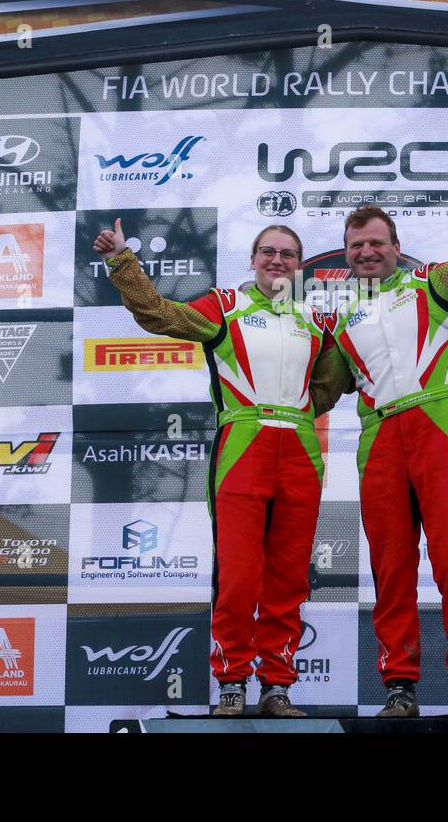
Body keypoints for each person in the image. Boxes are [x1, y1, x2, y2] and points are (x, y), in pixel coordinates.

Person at [94, 220, 340, 717]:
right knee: (238, 578)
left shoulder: (317, 321)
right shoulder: (226, 307)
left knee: (288, 580)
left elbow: (335, 378)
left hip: (299, 449)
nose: (277, 260)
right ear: (252, 260)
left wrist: (309, 406)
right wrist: (123, 261)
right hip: (243, 444)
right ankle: (231, 682)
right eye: (267, 252)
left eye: (288, 254)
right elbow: (158, 315)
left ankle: (277, 687)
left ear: (299, 265)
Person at [313, 144, 448, 717]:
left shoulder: (433, 285)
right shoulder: (341, 319)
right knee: (391, 569)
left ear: (396, 247)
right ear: (347, 256)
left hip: (437, 428)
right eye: (357, 246)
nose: (367, 251)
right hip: (378, 440)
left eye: (377, 242)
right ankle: (399, 688)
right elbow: (320, 391)